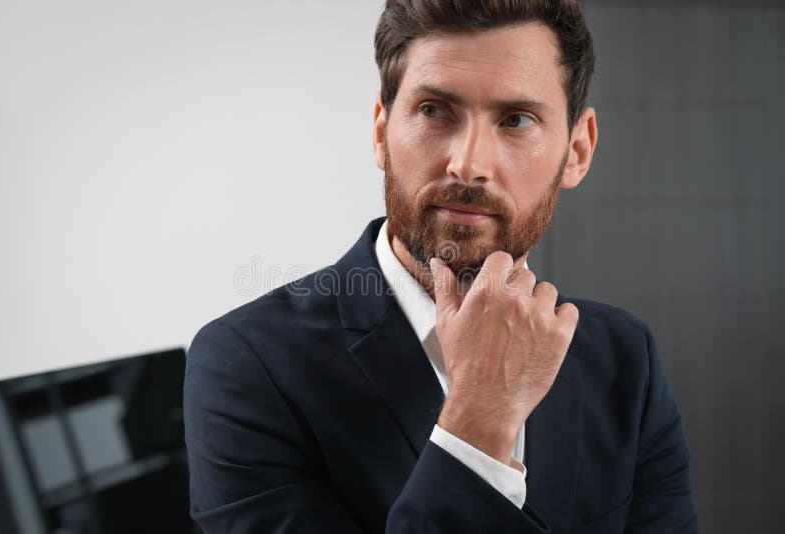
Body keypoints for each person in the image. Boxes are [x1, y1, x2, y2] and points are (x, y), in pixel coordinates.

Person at [183, 1, 699, 532]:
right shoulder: (243, 366)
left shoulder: (624, 359)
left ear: (577, 151)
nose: (468, 164)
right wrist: (480, 421)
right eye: (435, 110)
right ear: (381, 132)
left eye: (516, 119)